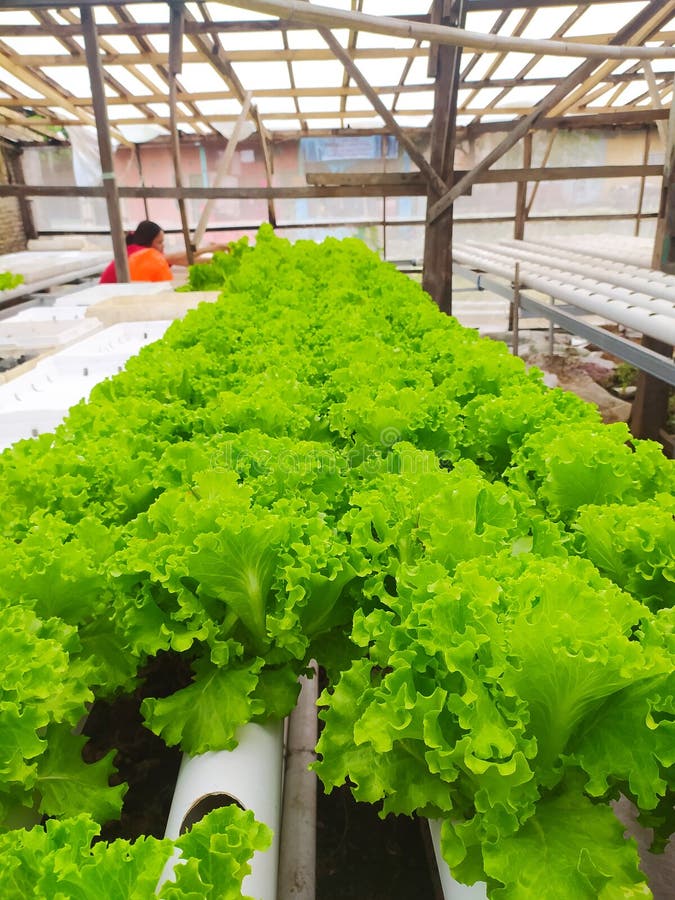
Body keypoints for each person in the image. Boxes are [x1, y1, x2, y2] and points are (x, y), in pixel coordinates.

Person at [99, 220, 224, 284]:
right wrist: (209, 249)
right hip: (107, 294)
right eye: (159, 242)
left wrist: (215, 259)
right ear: (148, 241)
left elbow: (184, 260)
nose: (162, 246)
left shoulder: (147, 256)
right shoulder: (136, 252)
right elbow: (176, 258)